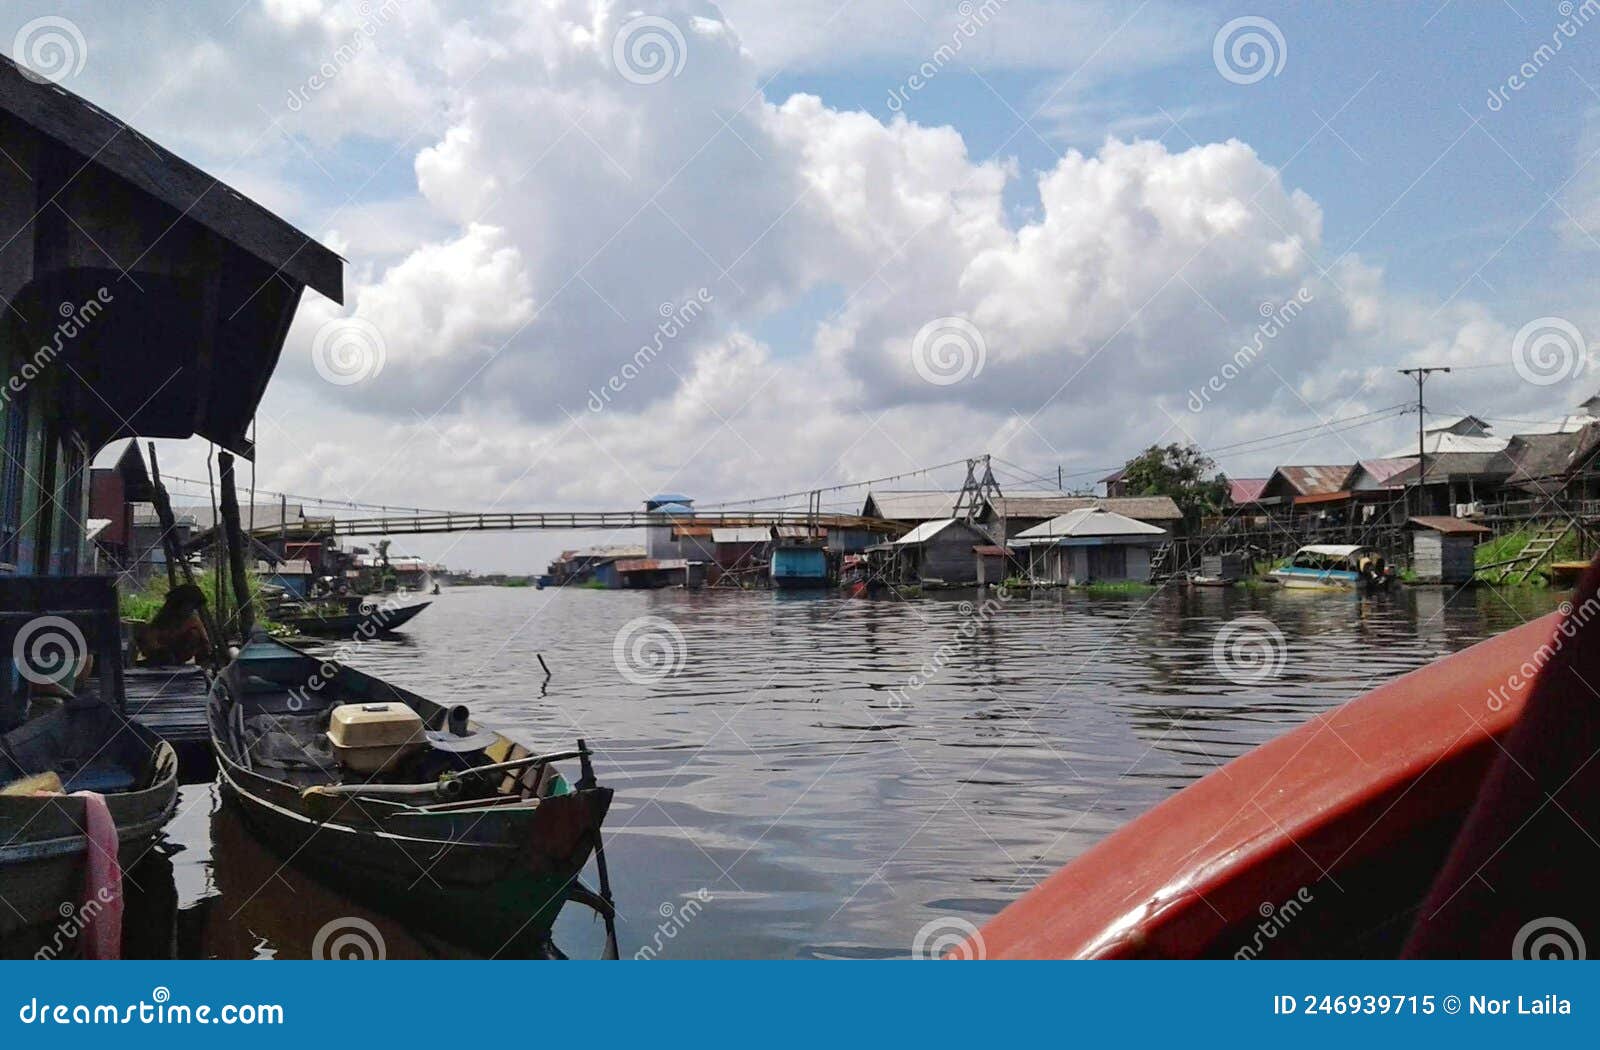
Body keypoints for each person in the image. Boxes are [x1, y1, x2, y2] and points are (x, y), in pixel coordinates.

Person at [131, 584, 210, 665]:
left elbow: (204, 645)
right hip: (161, 656)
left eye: (193, 607)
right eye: (189, 606)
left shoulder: (192, 620)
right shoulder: (164, 618)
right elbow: (150, 640)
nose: (190, 610)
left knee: (194, 634)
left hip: (179, 656)